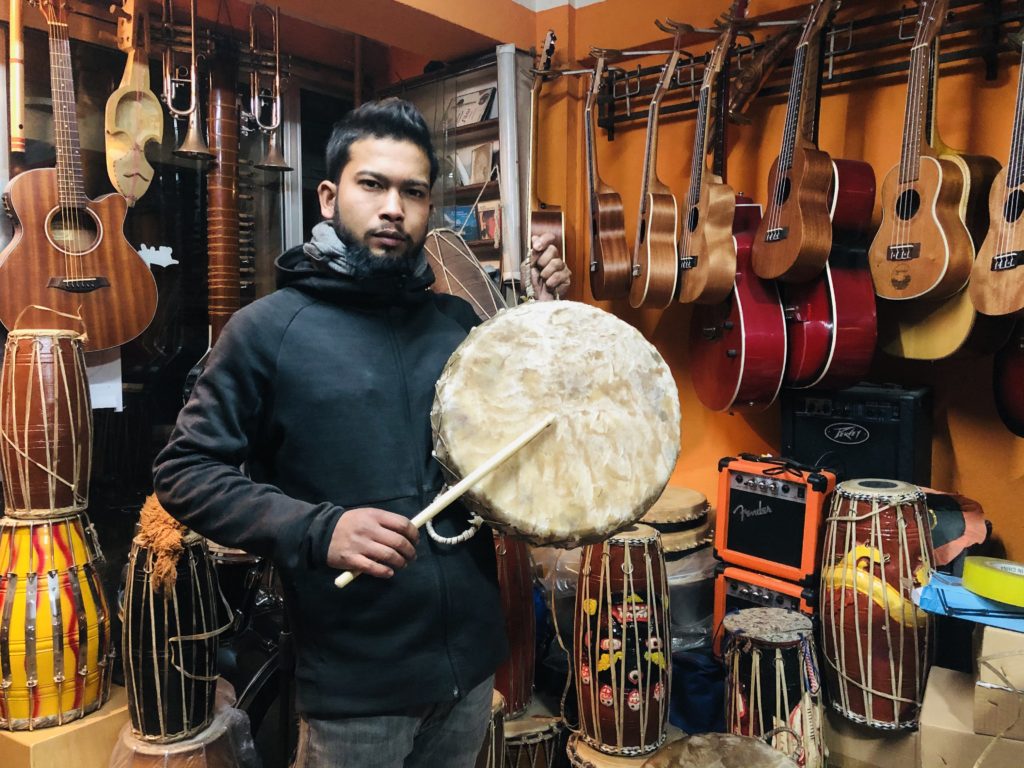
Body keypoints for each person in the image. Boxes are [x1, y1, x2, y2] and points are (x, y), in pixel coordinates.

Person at [152, 97, 570, 768]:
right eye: (372, 184)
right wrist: (321, 530)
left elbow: (527, 438)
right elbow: (185, 471)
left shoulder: (457, 326)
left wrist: (549, 325)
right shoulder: (267, 330)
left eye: (412, 191)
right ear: (329, 195)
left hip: (470, 665)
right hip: (355, 690)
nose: (392, 208)